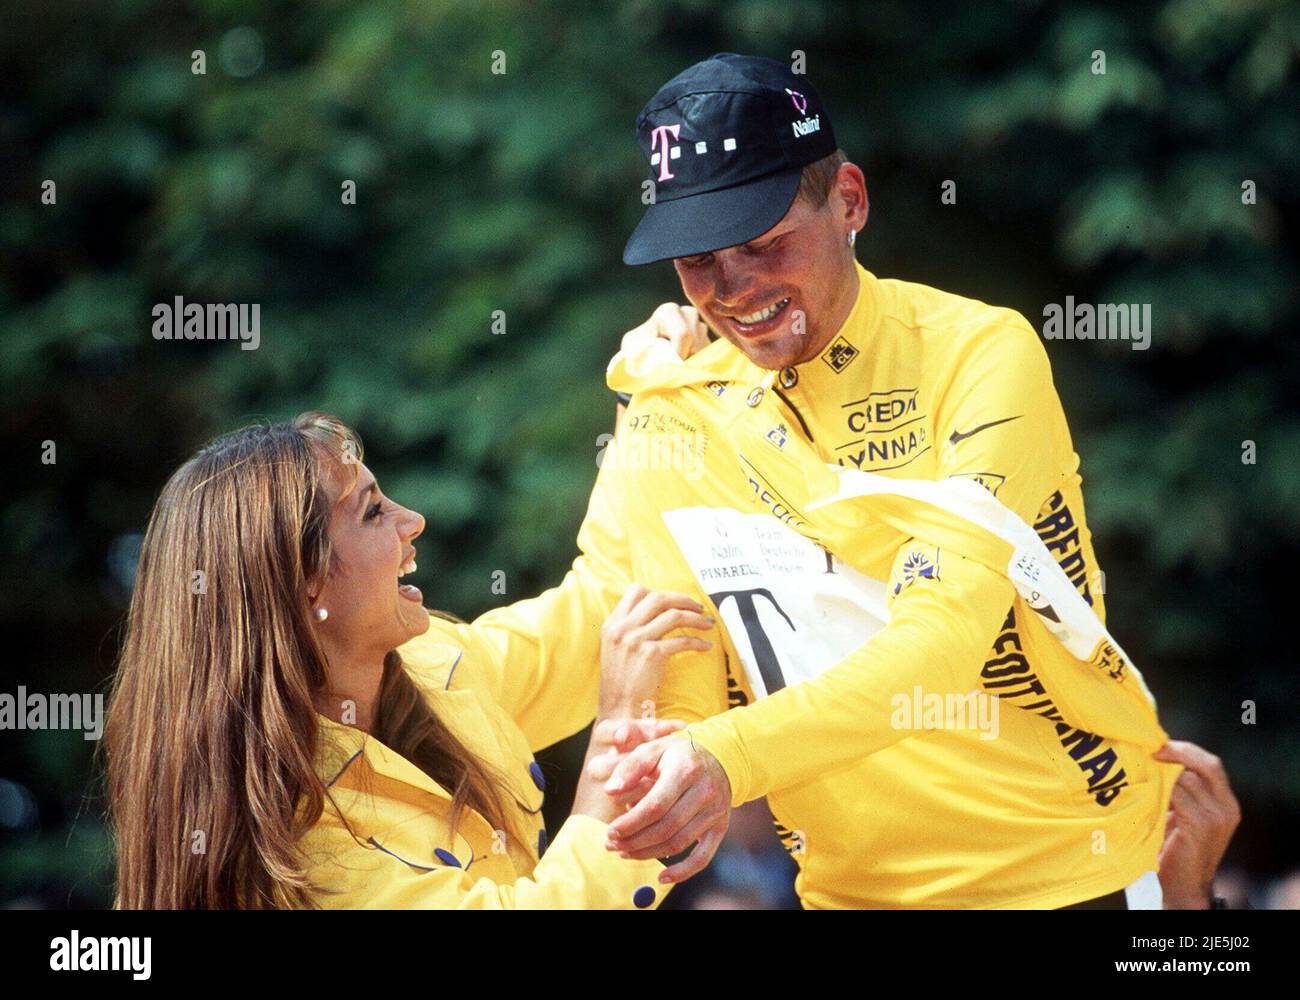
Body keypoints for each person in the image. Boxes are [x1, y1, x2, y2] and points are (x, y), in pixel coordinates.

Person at [415, 53, 1234, 909]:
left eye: (764, 243)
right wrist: (367, 676)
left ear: (849, 200)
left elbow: (940, 645)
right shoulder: (676, 400)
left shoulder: (979, 353)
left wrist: (724, 759)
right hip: (846, 895)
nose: (733, 292)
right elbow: (618, 625)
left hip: (1076, 874)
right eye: (697, 261)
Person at [102, 412, 714, 908]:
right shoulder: (288, 837)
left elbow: (607, 604)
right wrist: (618, 739)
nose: (412, 521)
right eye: (372, 512)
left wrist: (647, 408)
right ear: (303, 581)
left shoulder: (437, 665)